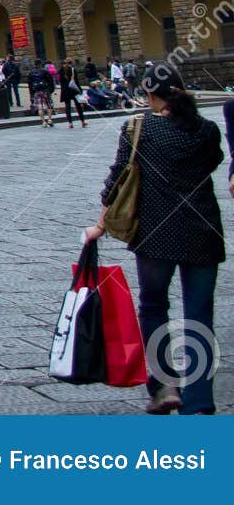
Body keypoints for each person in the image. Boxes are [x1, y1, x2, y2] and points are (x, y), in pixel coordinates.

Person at [85, 65, 224, 414]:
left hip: (156, 233)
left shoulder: (139, 128)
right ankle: (200, 401)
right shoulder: (206, 130)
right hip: (203, 232)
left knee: (152, 306)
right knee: (200, 316)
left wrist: (100, 225)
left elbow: (118, 180)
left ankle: (165, 387)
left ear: (149, 96)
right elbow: (212, 163)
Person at [59, 59, 88, 128]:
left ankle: (70, 123)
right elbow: (76, 81)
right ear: (70, 63)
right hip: (73, 89)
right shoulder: (72, 70)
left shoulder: (61, 71)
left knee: (67, 106)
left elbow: (61, 82)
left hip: (65, 90)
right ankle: (83, 121)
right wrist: (80, 90)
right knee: (78, 106)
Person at [29, 61, 55, 126]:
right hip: (45, 90)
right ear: (40, 64)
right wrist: (51, 90)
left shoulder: (31, 72)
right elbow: (50, 81)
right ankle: (49, 119)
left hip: (37, 91)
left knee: (40, 107)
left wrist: (31, 93)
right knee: (49, 105)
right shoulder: (45, 71)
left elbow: (29, 84)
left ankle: (43, 122)